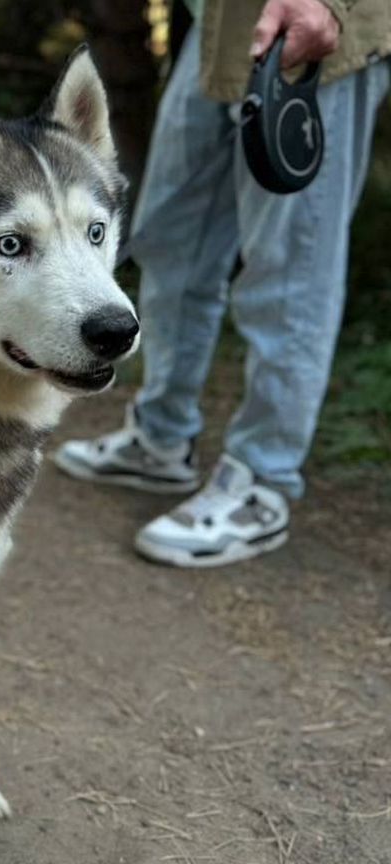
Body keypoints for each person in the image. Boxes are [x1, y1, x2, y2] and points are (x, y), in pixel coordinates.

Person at [55, 0, 390, 567]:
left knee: (290, 269)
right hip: (222, 20)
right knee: (169, 237)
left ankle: (263, 480)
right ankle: (162, 437)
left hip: (315, 27)